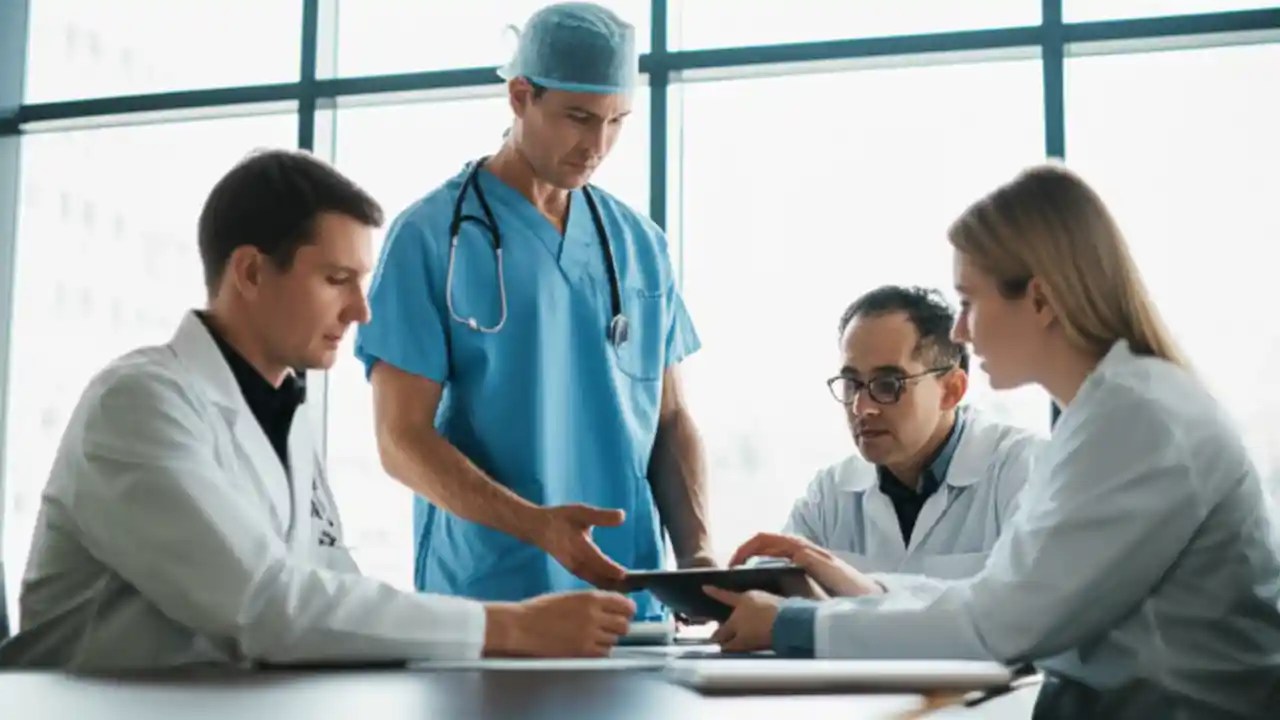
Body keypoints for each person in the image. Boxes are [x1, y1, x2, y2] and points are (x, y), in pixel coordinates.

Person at [0, 149, 636, 670]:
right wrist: (511, 627)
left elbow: (335, 591)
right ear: (251, 272)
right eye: (337, 280)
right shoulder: (138, 405)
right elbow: (264, 606)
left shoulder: (282, 417)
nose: (361, 310)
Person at [704, 164, 1280, 718]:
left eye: (968, 302)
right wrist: (865, 588)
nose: (959, 330)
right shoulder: (1109, 413)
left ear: (1040, 300)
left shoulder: (1138, 420)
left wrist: (791, 624)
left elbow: (998, 624)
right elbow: (1000, 595)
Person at [355, 2, 711, 621]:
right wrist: (537, 526)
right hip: (491, 602)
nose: (597, 145)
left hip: (627, 599)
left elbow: (671, 419)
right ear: (520, 96)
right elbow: (399, 438)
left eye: (617, 121)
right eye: (579, 117)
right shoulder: (431, 237)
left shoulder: (639, 245)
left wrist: (698, 554)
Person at [731, 286, 1042, 598]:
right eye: (852, 384)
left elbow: (1024, 610)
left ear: (951, 391)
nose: (861, 407)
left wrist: (854, 594)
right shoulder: (830, 494)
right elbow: (773, 584)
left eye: (888, 385)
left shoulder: (1023, 471)